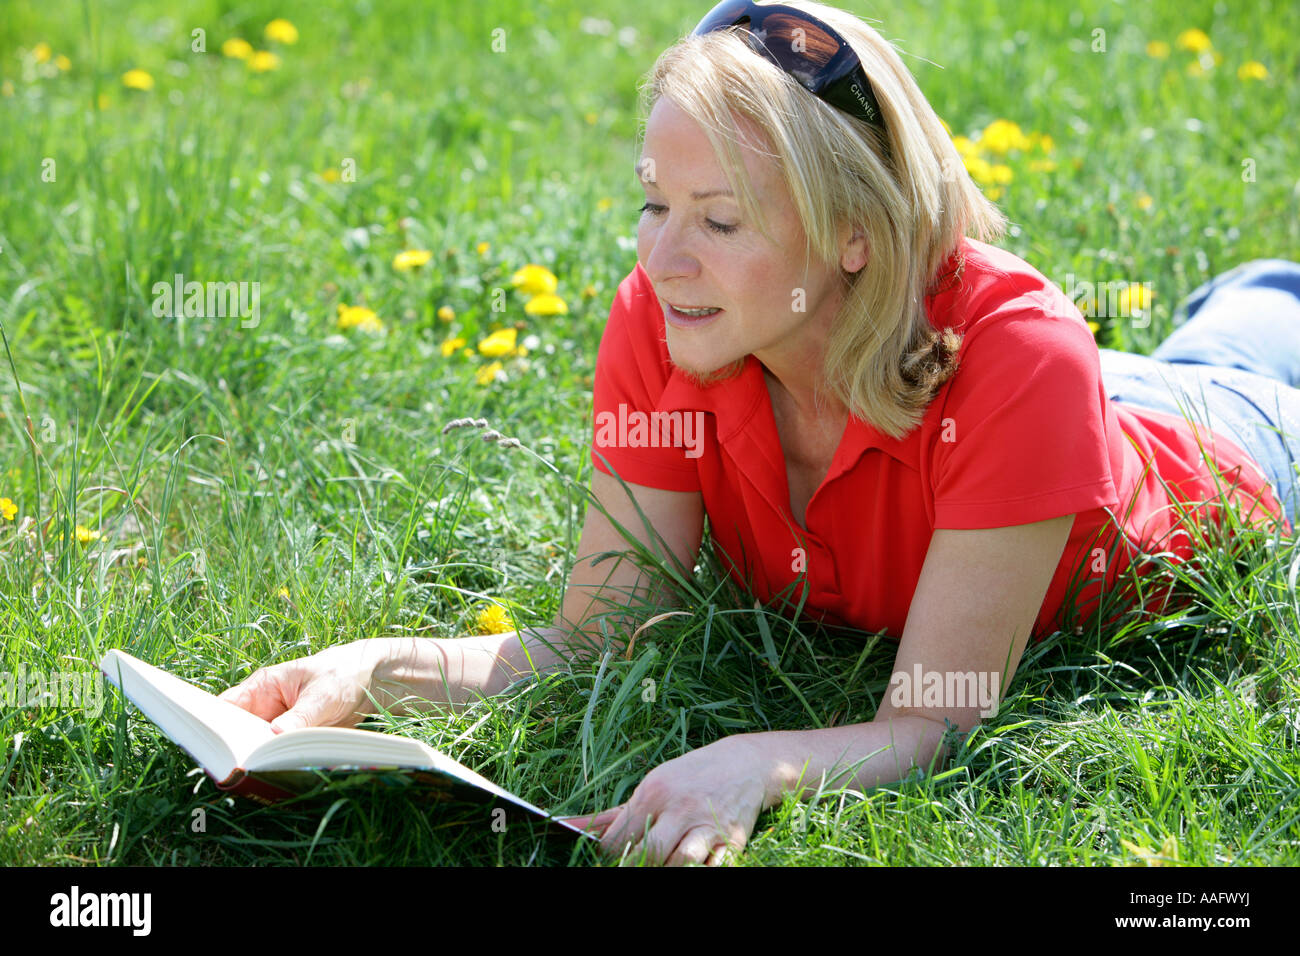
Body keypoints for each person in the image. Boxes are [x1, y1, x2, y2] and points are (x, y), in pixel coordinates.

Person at [218, 0, 1300, 865]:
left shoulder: (1019, 358)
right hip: (1042, 398)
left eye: (719, 219)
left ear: (852, 236)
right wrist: (372, 669)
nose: (660, 255)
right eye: (654, 202)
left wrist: (755, 763)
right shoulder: (674, 318)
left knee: (1253, 331)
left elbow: (936, 719)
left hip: (1225, 432)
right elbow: (600, 634)